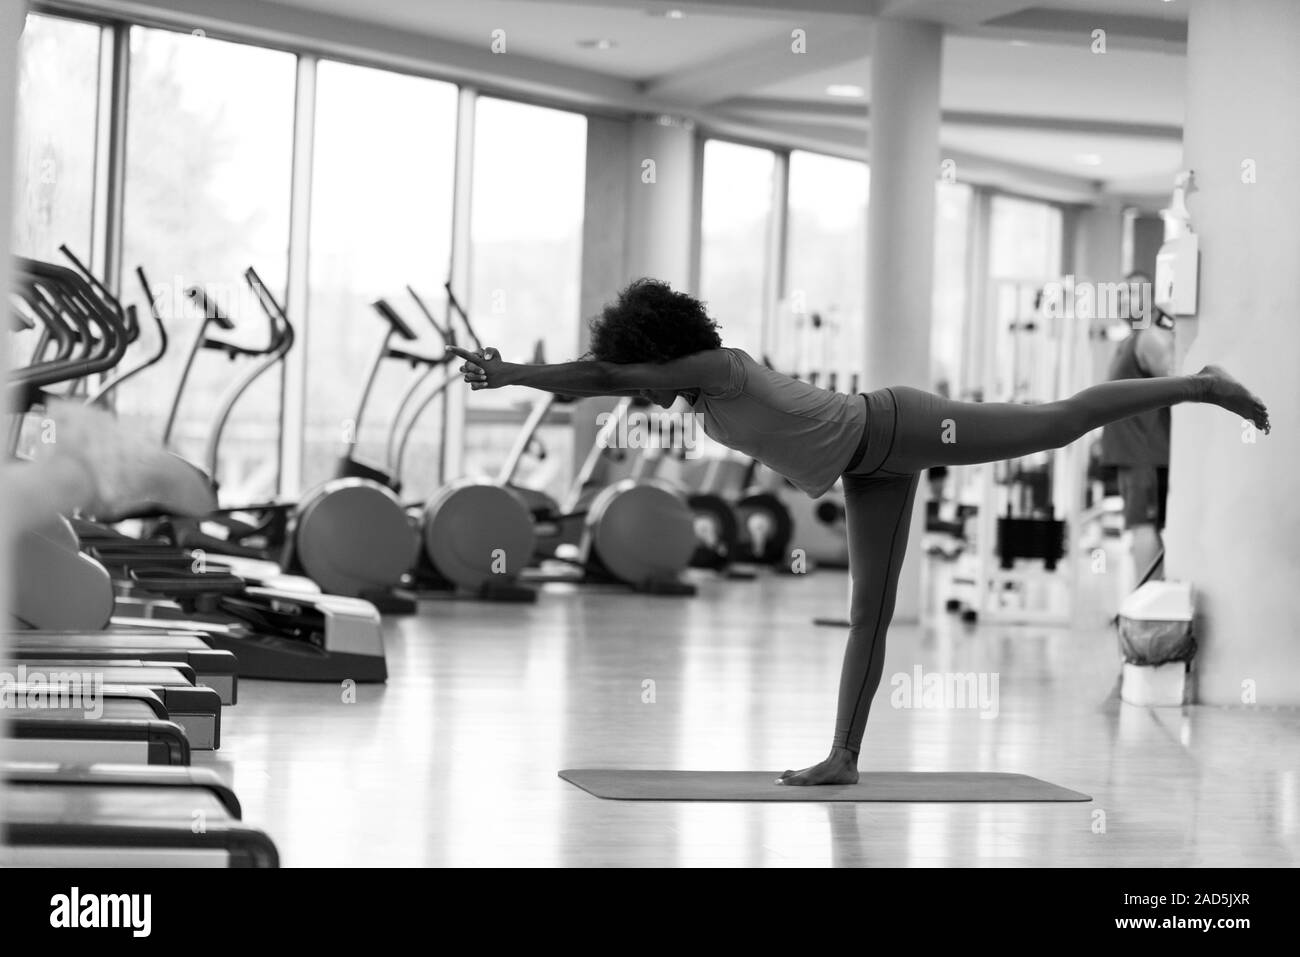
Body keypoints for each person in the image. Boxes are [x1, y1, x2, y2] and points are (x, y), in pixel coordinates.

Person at [449, 278, 1270, 786]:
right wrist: (527, 378)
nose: (642, 388)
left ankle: (1198, 384)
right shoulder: (698, 396)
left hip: (904, 426)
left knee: (1053, 424)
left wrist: (515, 371)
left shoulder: (717, 367)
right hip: (868, 468)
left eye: (642, 367)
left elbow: (605, 376)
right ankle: (843, 755)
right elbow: (612, 380)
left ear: (661, 350)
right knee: (868, 610)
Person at [1099, 271, 1176, 583]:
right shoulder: (1131, 340)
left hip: (1147, 454)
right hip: (1133, 455)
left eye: (1132, 294)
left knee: (1144, 528)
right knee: (1140, 528)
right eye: (1121, 294)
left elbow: (1177, 385)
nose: (1123, 300)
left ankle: (1148, 607)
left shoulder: (1149, 338)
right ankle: (1145, 604)